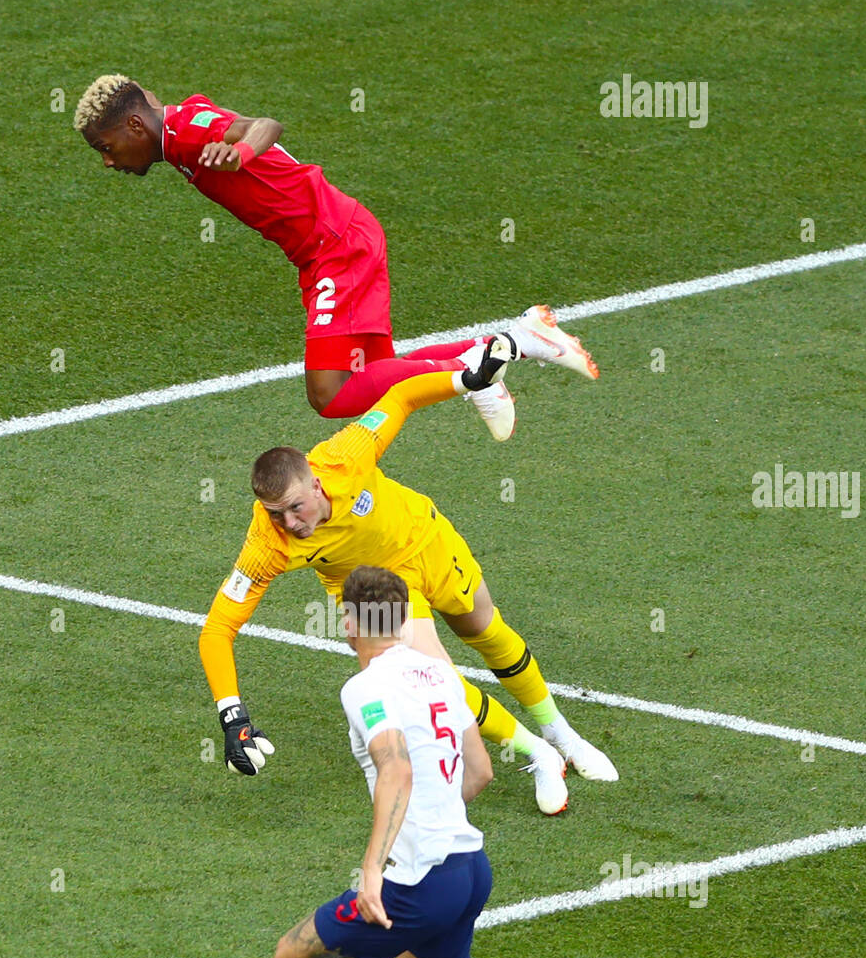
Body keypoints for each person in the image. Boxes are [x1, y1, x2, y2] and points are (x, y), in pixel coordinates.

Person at [199, 339, 618, 815]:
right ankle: (537, 753)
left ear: (315, 484)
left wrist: (466, 381)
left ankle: (561, 733)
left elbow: (399, 398)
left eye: (296, 507)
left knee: (486, 631)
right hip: (373, 589)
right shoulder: (266, 544)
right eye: (276, 513)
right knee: (433, 677)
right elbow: (218, 629)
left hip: (426, 540)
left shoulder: (345, 457)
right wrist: (233, 717)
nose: (290, 523)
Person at [73, 75, 598, 438]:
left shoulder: (186, 130)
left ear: (135, 127)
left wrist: (240, 152)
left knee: (328, 393)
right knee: (373, 378)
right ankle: (511, 344)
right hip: (329, 245)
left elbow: (266, 125)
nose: (107, 161)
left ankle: (487, 363)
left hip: (335, 245)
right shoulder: (176, 126)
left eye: (105, 146)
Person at [272, 565, 578, 958]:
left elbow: (397, 770)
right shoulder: (438, 671)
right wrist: (437, 821)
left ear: (350, 621)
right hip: (470, 868)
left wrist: (372, 869)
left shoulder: (363, 687)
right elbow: (482, 772)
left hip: (419, 881)